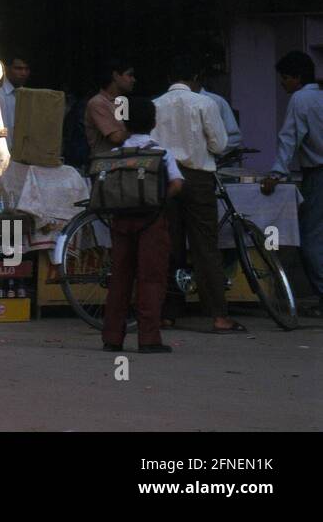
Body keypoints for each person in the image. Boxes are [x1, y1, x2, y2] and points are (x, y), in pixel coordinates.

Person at [153, 57, 239, 333]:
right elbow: (220, 143)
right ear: (197, 76)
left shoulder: (157, 104)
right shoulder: (205, 103)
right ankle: (218, 315)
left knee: (170, 245)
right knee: (205, 247)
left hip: (166, 178)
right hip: (198, 177)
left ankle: (168, 312)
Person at [102, 95, 183, 354]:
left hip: (120, 222)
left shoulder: (115, 154)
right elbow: (177, 184)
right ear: (154, 122)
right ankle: (149, 339)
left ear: (125, 123)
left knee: (120, 279)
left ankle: (112, 338)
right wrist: (157, 199)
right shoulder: (161, 152)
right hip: (152, 221)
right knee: (151, 278)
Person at [262, 51, 323, 317]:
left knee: (310, 238)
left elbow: (290, 138)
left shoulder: (301, 99)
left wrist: (276, 174)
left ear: (297, 78)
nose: (282, 84)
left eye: (285, 78)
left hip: (318, 174)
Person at [84, 57, 135, 159]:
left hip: (122, 163)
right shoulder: (97, 103)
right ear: (115, 76)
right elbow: (116, 137)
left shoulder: (121, 101)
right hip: (104, 166)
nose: (133, 80)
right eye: (129, 75)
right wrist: (141, 129)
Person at [191, 72, 241, 152]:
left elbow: (233, 138)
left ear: (195, 78)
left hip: (211, 160)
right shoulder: (172, 103)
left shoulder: (216, 101)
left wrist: (210, 152)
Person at [0, 53, 31, 151]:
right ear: (6, 69)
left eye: (26, 69)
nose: (23, 73)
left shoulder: (27, 96)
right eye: (18, 68)